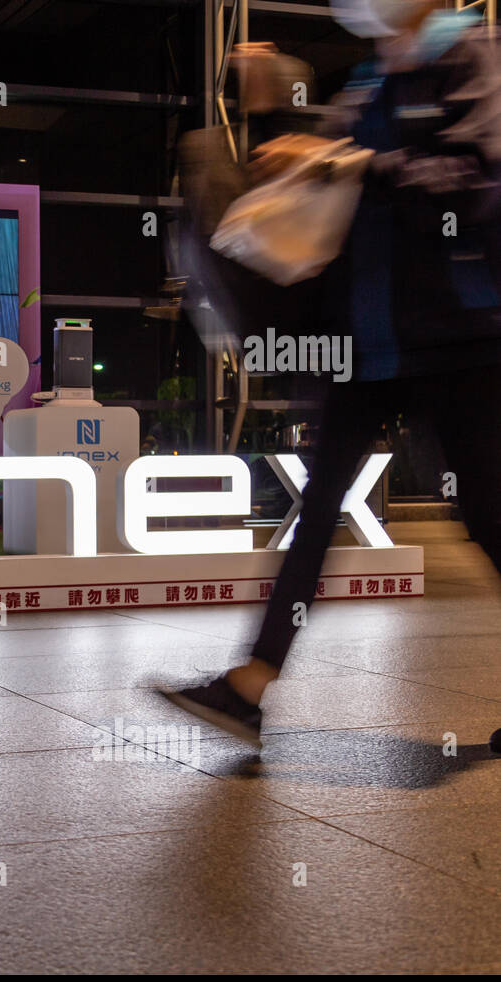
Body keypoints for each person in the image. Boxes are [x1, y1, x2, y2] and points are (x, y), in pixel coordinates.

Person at [162, 0, 501, 746]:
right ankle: (249, 686)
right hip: (364, 342)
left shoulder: (471, 55)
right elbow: (320, 189)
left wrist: (346, 161)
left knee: (485, 516)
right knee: (316, 513)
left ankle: (250, 685)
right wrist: (271, 113)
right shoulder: (372, 81)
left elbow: (472, 183)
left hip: (458, 339)